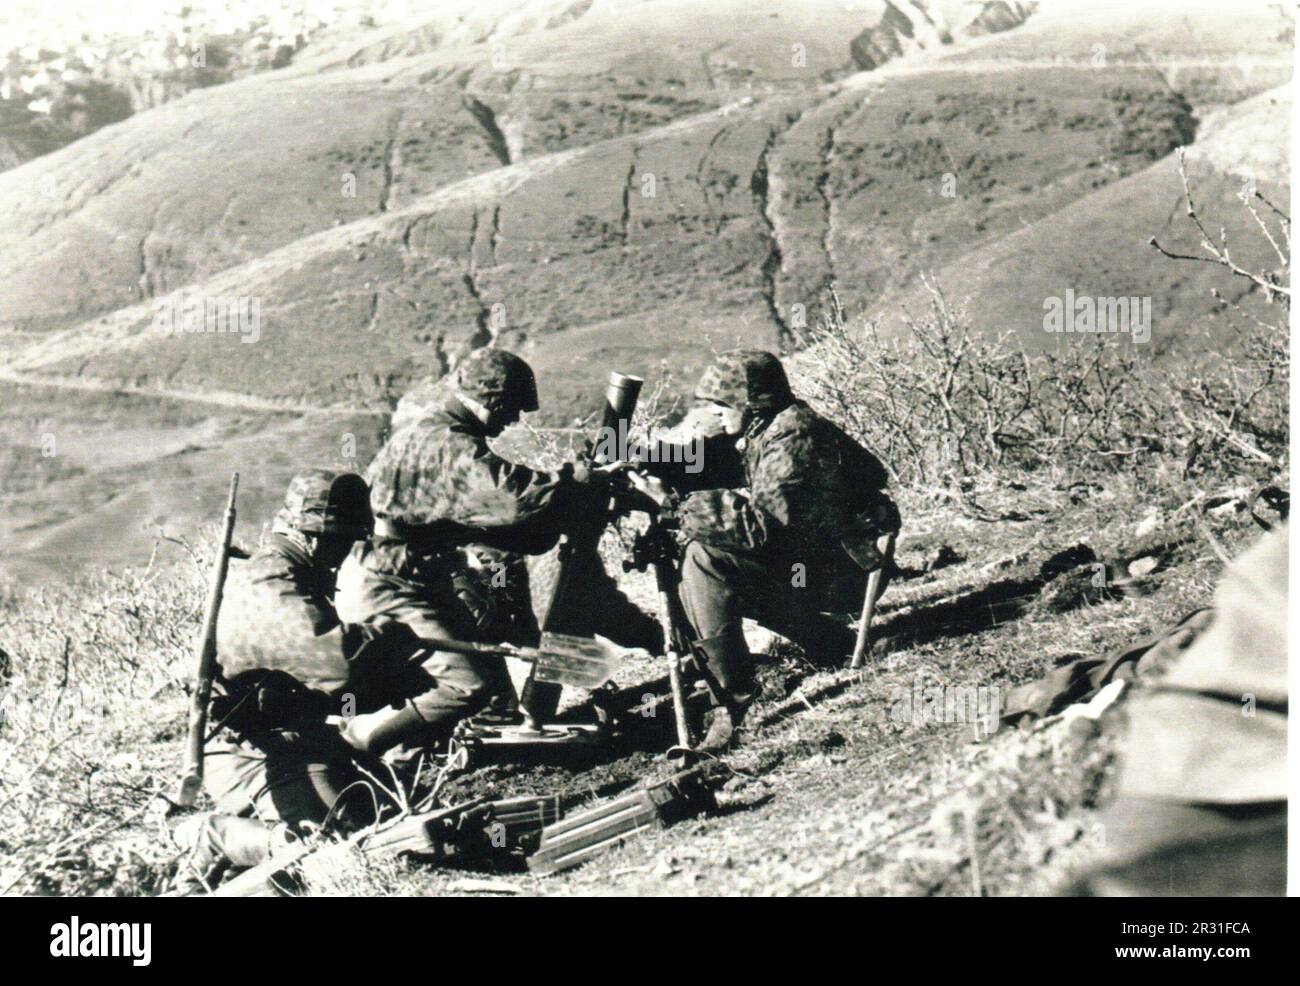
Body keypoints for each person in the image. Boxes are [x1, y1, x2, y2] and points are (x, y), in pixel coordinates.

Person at [333, 348, 616, 755]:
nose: (515, 421)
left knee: (496, 709)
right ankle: (364, 746)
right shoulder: (452, 447)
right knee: (470, 688)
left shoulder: (432, 429)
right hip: (390, 582)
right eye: (513, 409)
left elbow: (501, 525)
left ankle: (435, 740)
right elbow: (515, 500)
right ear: (493, 401)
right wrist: (572, 481)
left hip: (408, 571)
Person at [634, 350, 900, 752]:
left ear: (753, 402)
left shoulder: (793, 438)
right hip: (821, 563)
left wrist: (672, 506)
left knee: (706, 559)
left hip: (845, 575)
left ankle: (733, 699)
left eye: (723, 405)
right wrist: (649, 460)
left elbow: (761, 530)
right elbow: (714, 458)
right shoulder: (770, 427)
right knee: (719, 555)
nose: (716, 415)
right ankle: (829, 642)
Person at [172, 469, 414, 893]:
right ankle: (211, 837)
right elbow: (339, 666)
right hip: (252, 753)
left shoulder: (291, 570)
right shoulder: (272, 582)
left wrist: (395, 685)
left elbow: (332, 691)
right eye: (345, 542)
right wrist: (390, 639)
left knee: (385, 813)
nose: (346, 555)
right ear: (318, 535)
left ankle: (246, 852)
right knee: (329, 846)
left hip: (295, 739)